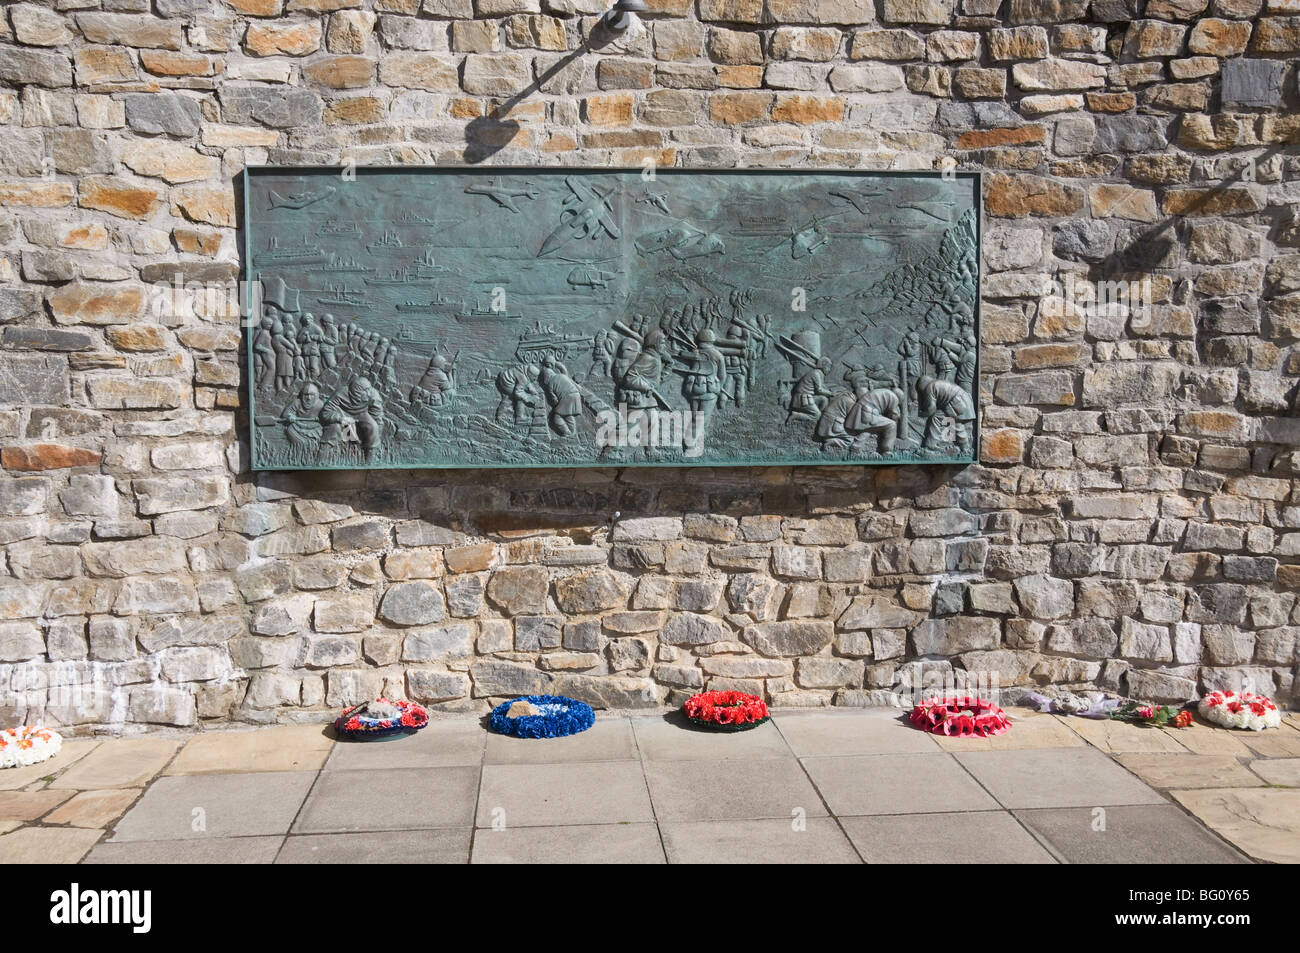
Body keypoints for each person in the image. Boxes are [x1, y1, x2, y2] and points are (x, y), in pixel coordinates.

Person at [916, 374, 975, 455]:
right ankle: (965, 448)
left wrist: (922, 413)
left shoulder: (929, 388)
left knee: (936, 418)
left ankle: (931, 445)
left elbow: (931, 409)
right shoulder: (937, 383)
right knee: (957, 424)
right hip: (962, 400)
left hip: (957, 402)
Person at [539, 357, 583, 435]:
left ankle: (567, 433)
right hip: (576, 395)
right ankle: (572, 433)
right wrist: (554, 363)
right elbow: (576, 386)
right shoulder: (562, 376)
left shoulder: (550, 384)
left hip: (567, 397)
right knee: (568, 414)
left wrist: (555, 406)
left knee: (556, 417)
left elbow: (554, 400)